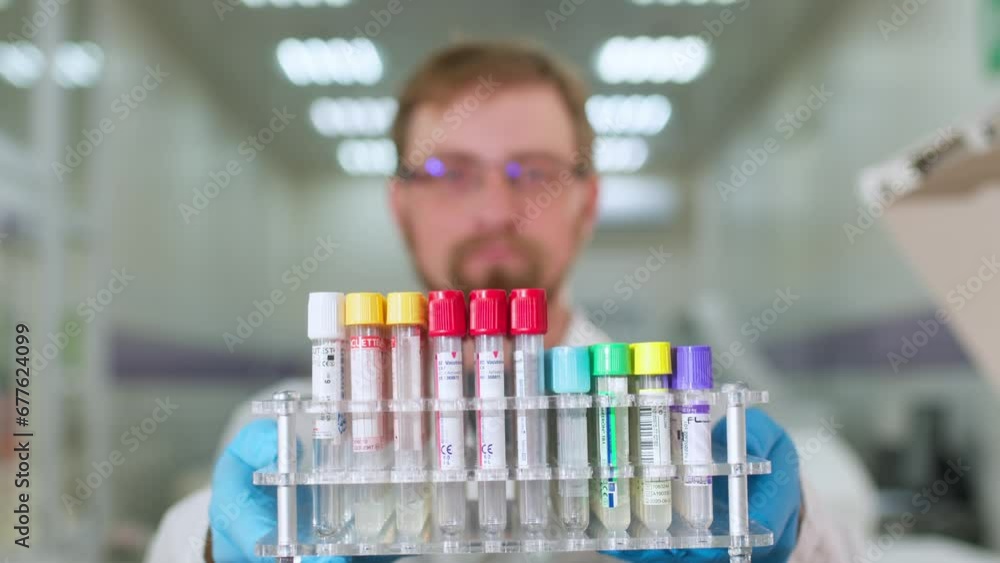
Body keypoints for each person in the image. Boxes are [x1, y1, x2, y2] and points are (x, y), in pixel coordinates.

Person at [146, 41, 857, 563]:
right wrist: (214, 546)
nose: (495, 209)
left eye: (535, 172)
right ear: (400, 204)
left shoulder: (680, 421)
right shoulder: (302, 433)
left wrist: (792, 539)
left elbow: (848, 545)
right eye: (451, 173)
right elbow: (179, 541)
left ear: (587, 201)